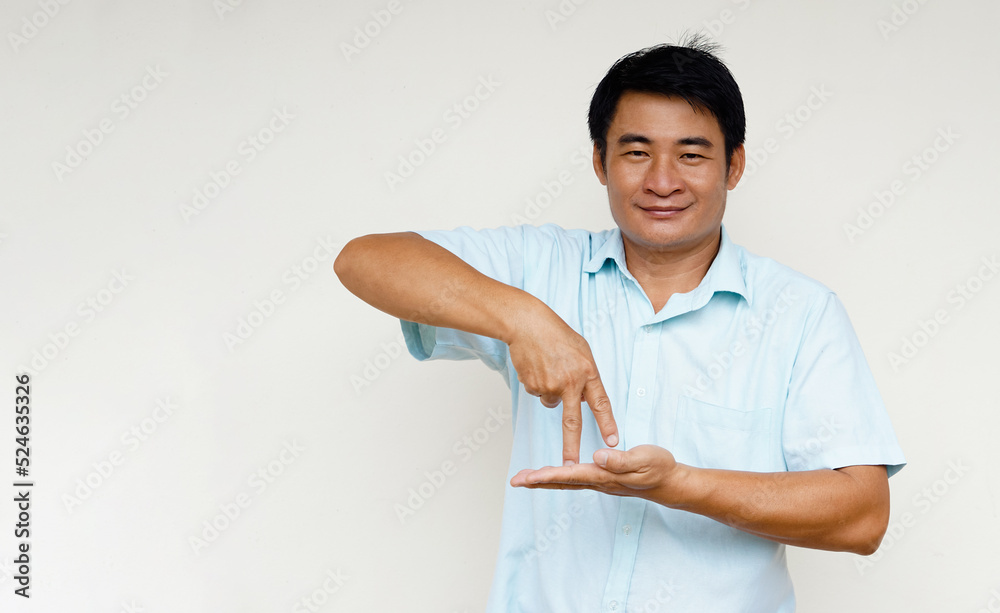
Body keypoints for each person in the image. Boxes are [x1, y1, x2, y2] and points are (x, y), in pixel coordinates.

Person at [335, 36, 905, 613]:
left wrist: (680, 485)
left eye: (691, 154)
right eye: (636, 152)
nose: (662, 181)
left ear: (733, 165)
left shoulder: (801, 313)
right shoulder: (541, 269)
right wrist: (524, 318)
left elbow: (863, 516)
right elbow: (364, 260)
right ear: (598, 161)